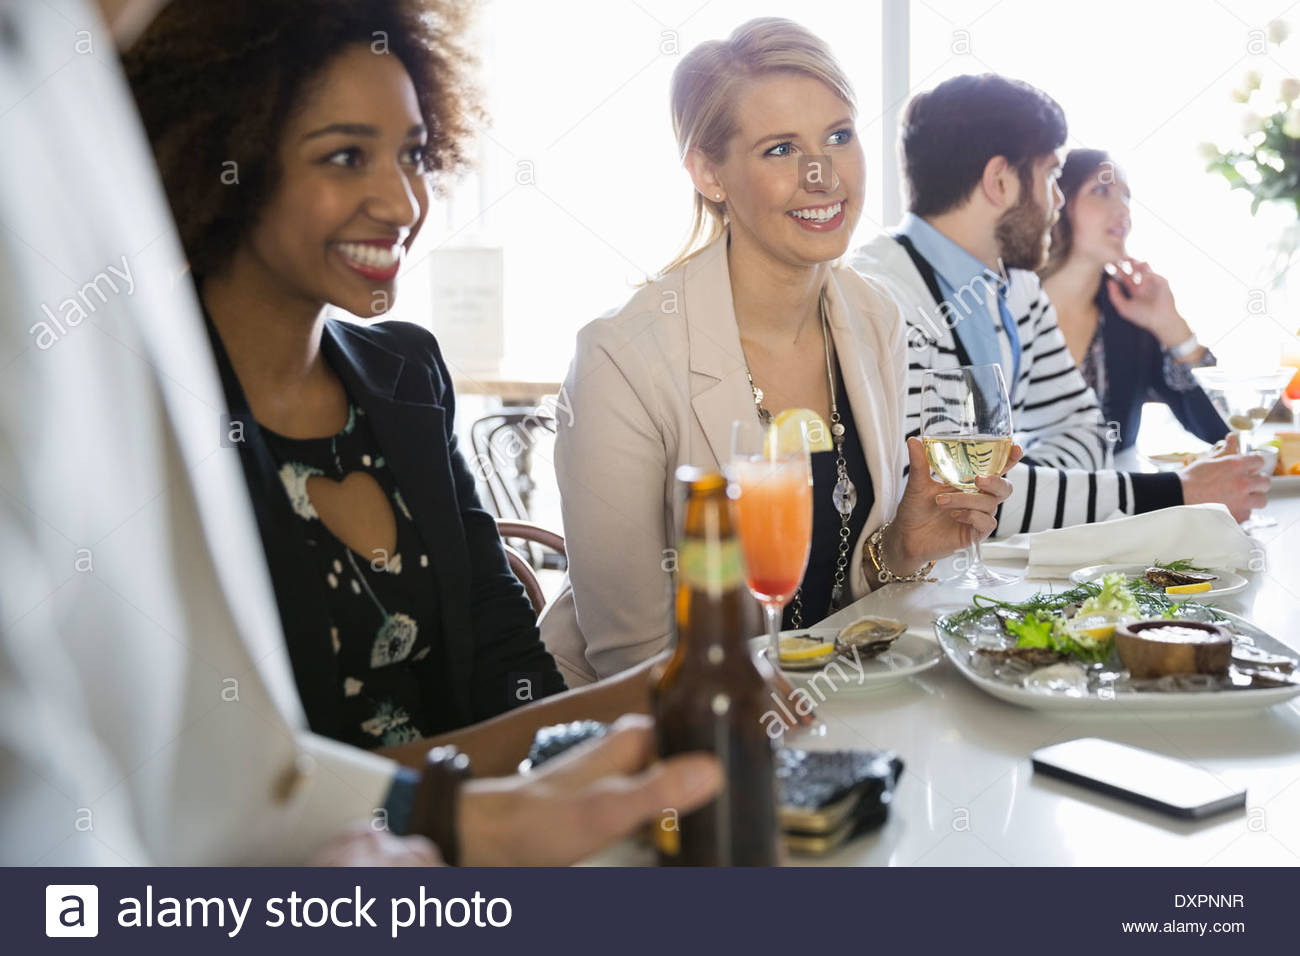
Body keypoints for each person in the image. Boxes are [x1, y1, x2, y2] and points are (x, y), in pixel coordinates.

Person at [0, 0, 721, 867]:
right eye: (346, 157)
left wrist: (648, 706)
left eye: (413, 155)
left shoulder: (405, 374)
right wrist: (637, 700)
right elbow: (255, 787)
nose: (401, 199)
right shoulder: (145, 404)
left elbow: (506, 672)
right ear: (229, 156)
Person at [541, 19, 1020, 686]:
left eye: (838, 137)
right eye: (779, 150)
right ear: (709, 172)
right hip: (654, 739)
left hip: (827, 706)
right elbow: (635, 658)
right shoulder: (622, 359)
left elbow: (842, 597)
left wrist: (900, 549)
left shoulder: (875, 315)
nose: (821, 175)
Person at [850, 74, 1266, 533]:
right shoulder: (885, 298)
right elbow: (939, 499)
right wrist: (1176, 493)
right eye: (1050, 174)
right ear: (999, 181)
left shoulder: (1018, 287)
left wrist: (1013, 490)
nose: (1057, 198)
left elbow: (1082, 433)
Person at [1038, 149, 1226, 452]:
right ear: (1055, 200)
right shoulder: (1005, 302)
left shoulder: (1129, 314)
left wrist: (1172, 327)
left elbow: (1221, 430)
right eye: (1101, 191)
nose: (1123, 211)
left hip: (1119, 499)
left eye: (1126, 197)